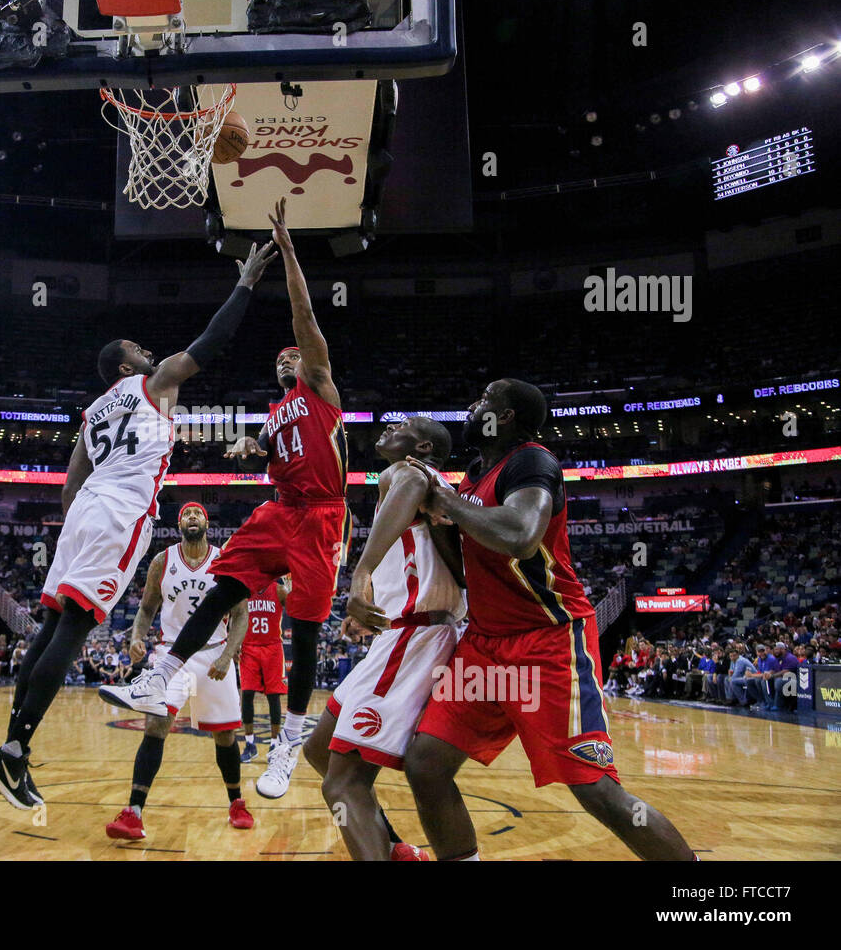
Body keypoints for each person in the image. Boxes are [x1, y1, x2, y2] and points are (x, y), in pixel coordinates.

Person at [0, 240, 277, 810]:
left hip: (84, 510)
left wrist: (79, 530)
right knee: (72, 632)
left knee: (47, 628)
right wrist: (244, 285)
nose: (149, 351)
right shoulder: (156, 382)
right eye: (138, 349)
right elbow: (211, 343)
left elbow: (69, 485)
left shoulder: (93, 412)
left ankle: (11, 747)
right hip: (119, 511)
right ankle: (13, 757)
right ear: (125, 366)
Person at [104, 199, 346, 801]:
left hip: (321, 516)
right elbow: (264, 450)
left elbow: (305, 318)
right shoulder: (274, 413)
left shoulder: (319, 384)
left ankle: (290, 737)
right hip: (279, 511)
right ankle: (159, 672)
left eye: (290, 354)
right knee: (223, 585)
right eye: (280, 358)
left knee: (309, 632)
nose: (285, 357)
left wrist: (289, 252)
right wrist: (246, 450)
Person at [401, 379, 695, 860]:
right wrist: (432, 520)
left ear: (509, 415)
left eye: (485, 400)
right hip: (485, 645)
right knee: (426, 763)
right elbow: (467, 571)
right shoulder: (476, 473)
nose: (473, 405)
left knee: (597, 791)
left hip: (549, 642)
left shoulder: (531, 461)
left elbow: (520, 534)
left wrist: (445, 500)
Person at [302, 417, 464, 861]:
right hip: (401, 632)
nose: (392, 424)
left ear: (424, 445)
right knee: (320, 751)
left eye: (405, 423)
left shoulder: (408, 471)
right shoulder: (427, 485)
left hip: (416, 636)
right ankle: (393, 848)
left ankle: (386, 851)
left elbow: (409, 482)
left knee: (343, 783)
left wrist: (362, 573)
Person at [104, 503, 253, 840]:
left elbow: (241, 615)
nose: (192, 518)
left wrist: (229, 654)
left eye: (197, 514)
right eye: (186, 514)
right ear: (178, 524)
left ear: (207, 523)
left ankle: (236, 802)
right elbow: (146, 608)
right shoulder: (163, 561)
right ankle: (133, 813)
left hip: (215, 654)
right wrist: (136, 637)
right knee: (156, 723)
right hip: (172, 655)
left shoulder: (223, 560)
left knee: (225, 735)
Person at [238, 576, 290, 764]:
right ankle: (250, 744)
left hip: (273, 647)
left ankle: (275, 743)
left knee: (273, 696)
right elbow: (236, 616)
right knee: (247, 694)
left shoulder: (279, 590)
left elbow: (295, 608)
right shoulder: (245, 589)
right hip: (248, 647)